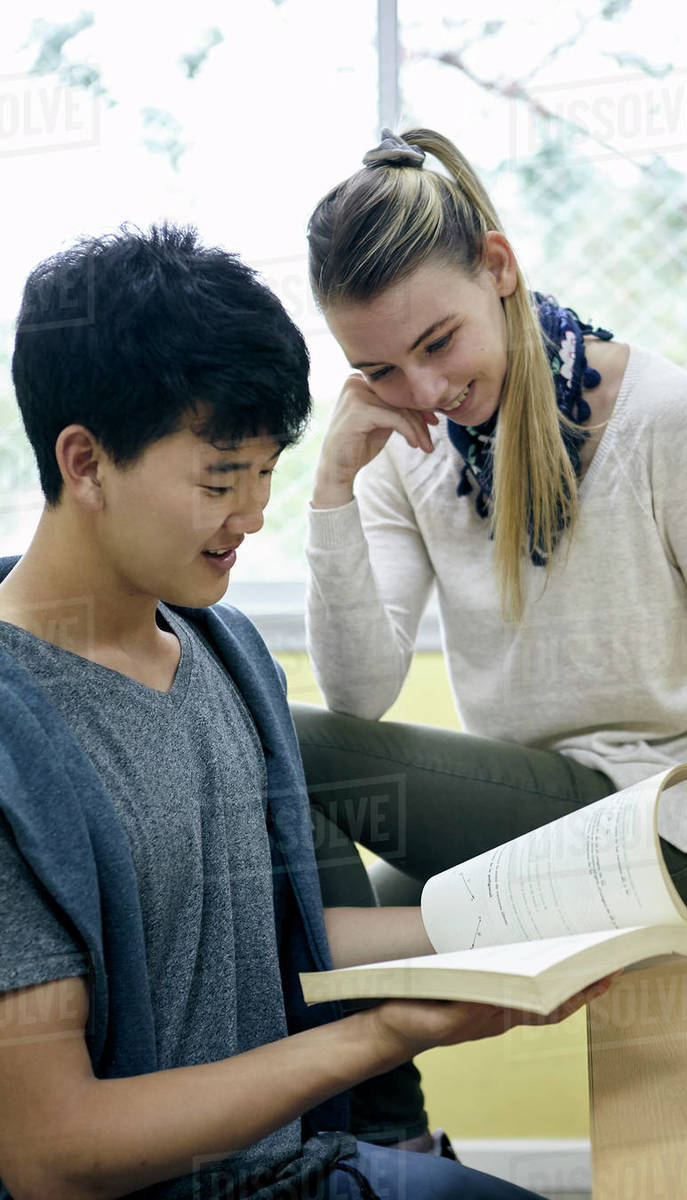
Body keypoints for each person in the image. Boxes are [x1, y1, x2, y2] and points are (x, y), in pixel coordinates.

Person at [0, 225, 616, 1200]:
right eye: (218, 478)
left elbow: (277, 941)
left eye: (265, 471)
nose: (251, 513)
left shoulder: (225, 654)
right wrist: (380, 1033)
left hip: (299, 1165)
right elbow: (51, 1154)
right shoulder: (13, 741)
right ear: (84, 462)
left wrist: (526, 926)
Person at [300, 127, 687, 1033]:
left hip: (677, 833)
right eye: (377, 369)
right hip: (537, 819)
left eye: (438, 342)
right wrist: (332, 487)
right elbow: (360, 691)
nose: (422, 389)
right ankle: (392, 1154)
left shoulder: (664, 418)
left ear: (497, 265)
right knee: (306, 957)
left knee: (280, 741)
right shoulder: (402, 451)